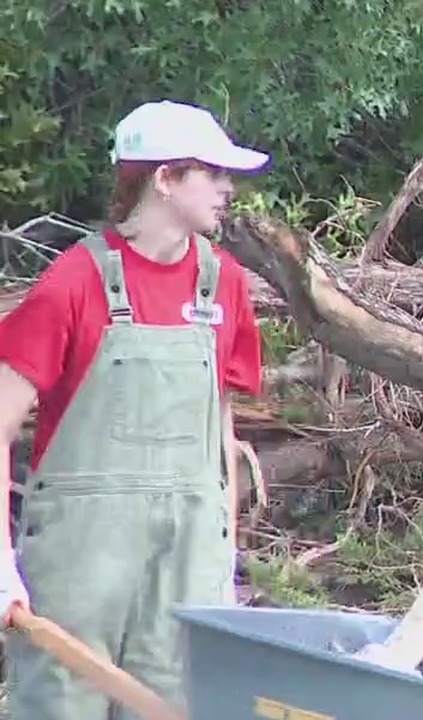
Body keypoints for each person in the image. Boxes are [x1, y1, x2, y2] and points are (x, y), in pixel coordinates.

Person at [0, 99, 267, 719]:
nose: (228, 189)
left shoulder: (224, 283)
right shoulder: (74, 282)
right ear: (165, 179)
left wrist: (223, 563)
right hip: (79, 573)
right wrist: (1, 565)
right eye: (212, 172)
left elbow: (220, 433)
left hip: (186, 570)